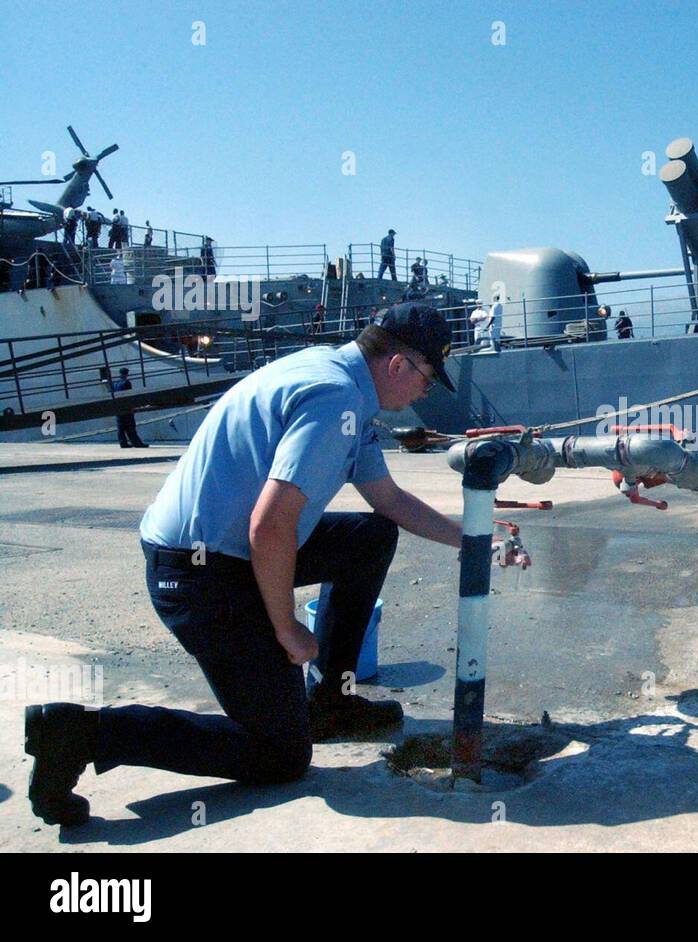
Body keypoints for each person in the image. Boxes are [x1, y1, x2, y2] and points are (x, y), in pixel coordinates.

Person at [22, 303, 518, 827]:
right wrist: (287, 630)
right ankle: (78, 735)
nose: (426, 392)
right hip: (200, 574)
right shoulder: (334, 398)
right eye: (426, 379)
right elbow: (270, 526)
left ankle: (332, 702)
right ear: (397, 365)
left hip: (229, 552)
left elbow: (387, 500)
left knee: (368, 537)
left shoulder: (342, 384)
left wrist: (477, 540)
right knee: (279, 755)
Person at [107, 367, 147, 448]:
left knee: (121, 427)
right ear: (126, 374)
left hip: (117, 407)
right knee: (130, 426)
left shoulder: (114, 383)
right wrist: (132, 407)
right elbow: (129, 395)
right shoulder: (127, 383)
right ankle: (136, 443)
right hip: (126, 407)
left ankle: (123, 443)